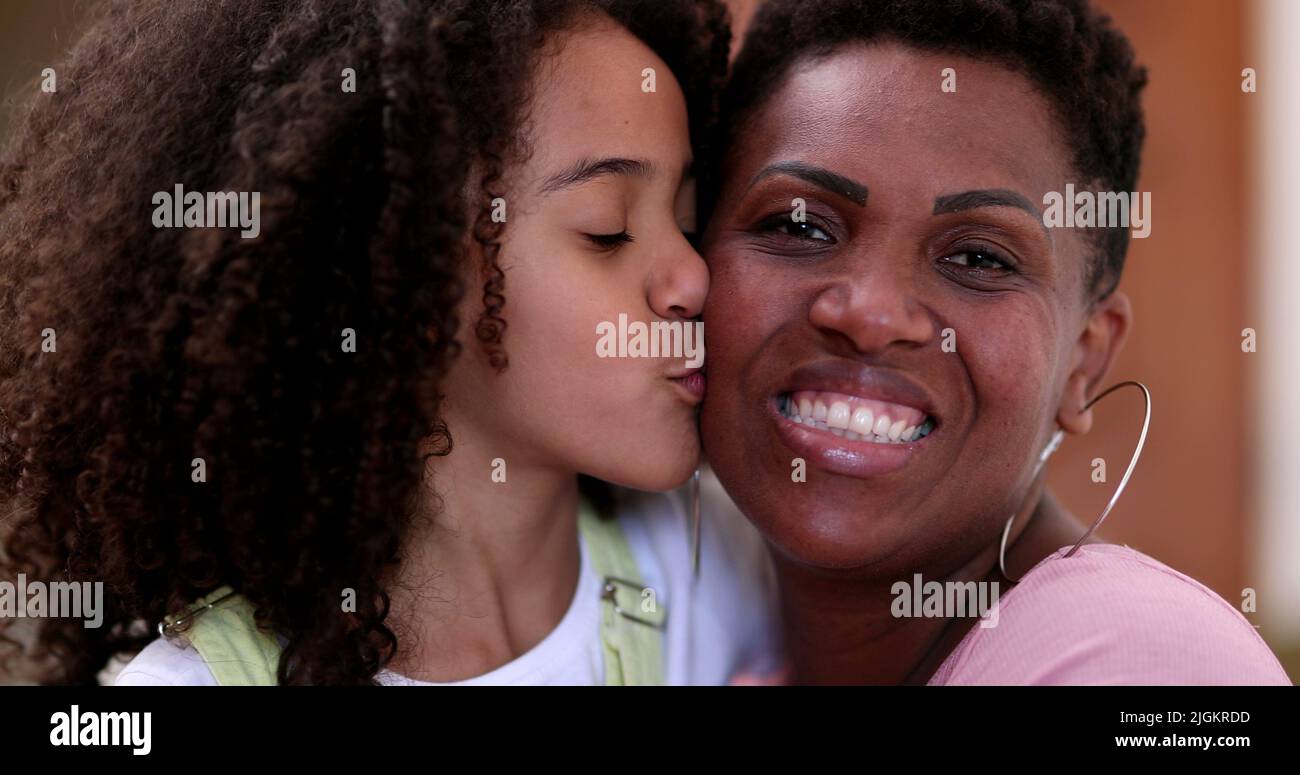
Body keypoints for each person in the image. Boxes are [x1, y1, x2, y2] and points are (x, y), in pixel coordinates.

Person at [0, 0, 778, 686]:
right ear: (403, 272)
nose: (694, 276)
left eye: (684, 217)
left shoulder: (724, 569)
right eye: (608, 228)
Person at [699, 0, 1290, 685]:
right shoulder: (699, 645)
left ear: (1085, 359)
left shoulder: (1143, 661)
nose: (870, 314)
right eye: (801, 227)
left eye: (979, 259)